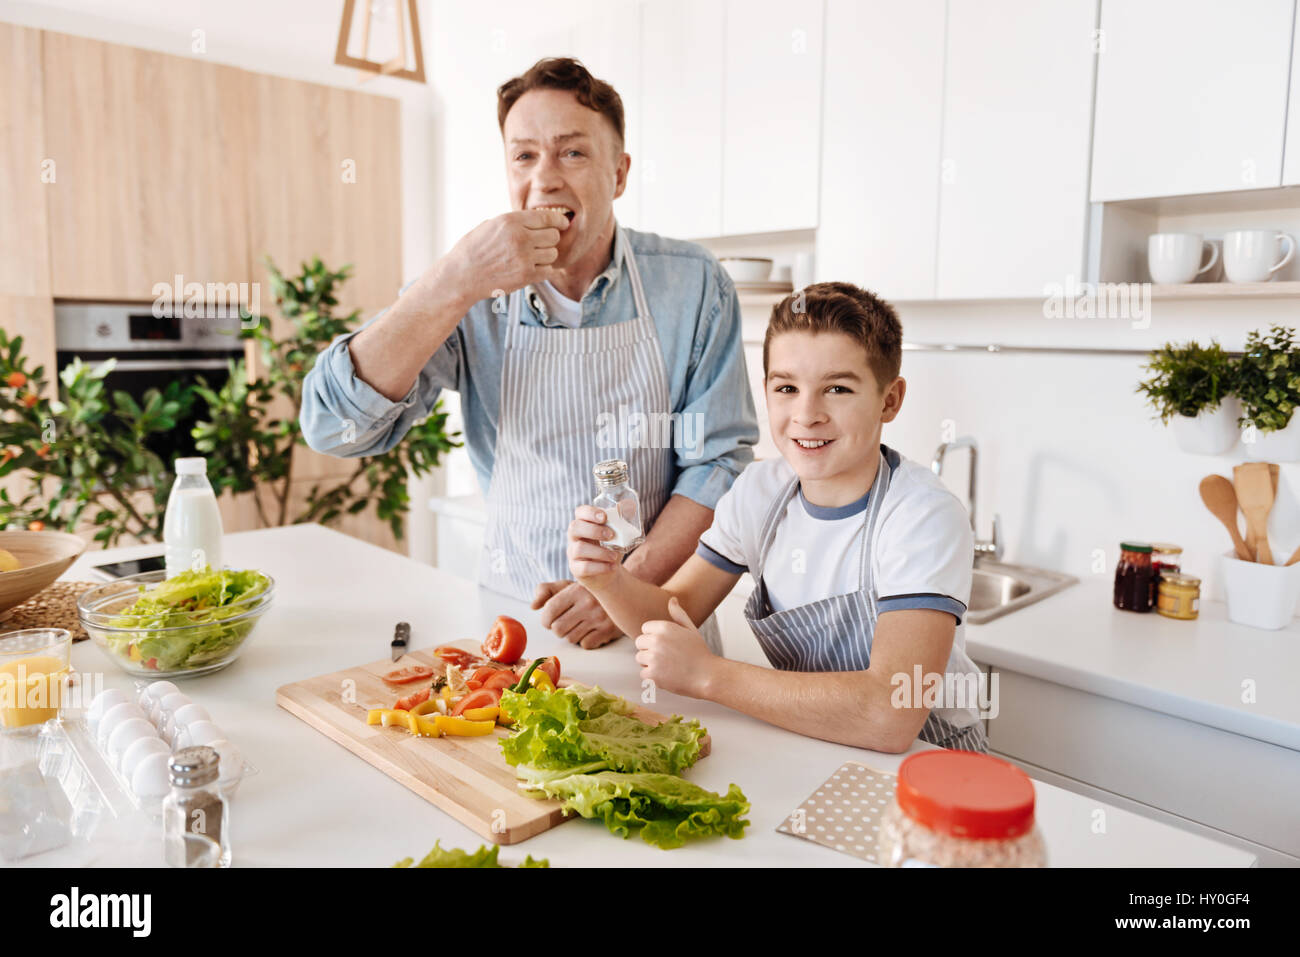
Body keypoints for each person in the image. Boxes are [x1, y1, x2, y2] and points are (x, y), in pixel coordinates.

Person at [300, 58, 757, 650]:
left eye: (572, 153)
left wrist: (623, 585)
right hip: (518, 623)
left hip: (658, 620)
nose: (545, 178)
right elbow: (334, 429)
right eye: (524, 156)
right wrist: (454, 279)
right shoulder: (464, 291)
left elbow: (717, 462)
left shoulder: (693, 285)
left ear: (619, 174)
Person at [566, 282, 988, 752]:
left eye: (838, 388)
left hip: (930, 765)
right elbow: (672, 615)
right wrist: (607, 581)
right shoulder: (759, 492)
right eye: (787, 387)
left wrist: (708, 675)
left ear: (889, 400)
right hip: (816, 744)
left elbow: (888, 715)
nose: (807, 415)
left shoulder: (922, 516)